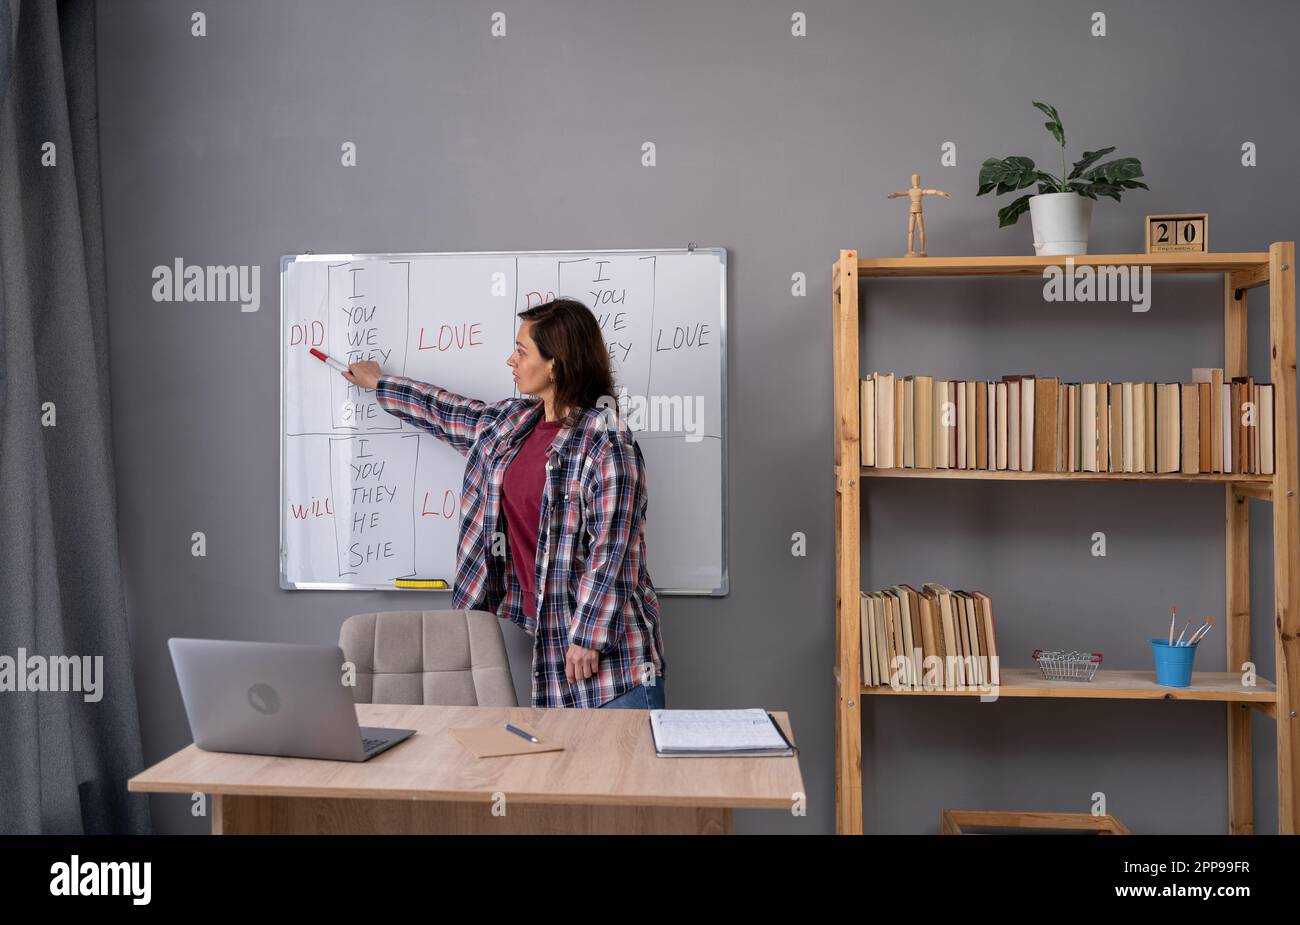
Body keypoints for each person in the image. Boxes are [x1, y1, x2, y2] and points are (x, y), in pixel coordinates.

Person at [342, 298, 666, 710]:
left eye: (522, 351)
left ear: (556, 363)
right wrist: (380, 385)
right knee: (558, 772)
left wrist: (589, 637)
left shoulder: (606, 441)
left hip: (613, 661)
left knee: (617, 775)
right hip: (550, 641)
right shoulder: (511, 424)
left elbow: (612, 551)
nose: (510, 360)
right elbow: (447, 411)